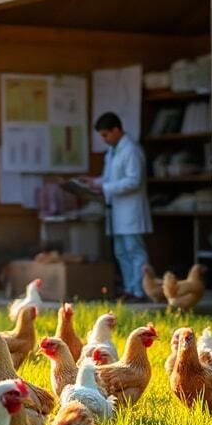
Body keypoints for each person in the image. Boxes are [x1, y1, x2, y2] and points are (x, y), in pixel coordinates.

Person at [82, 112, 152, 302]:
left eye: (106, 135)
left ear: (117, 130)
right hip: (117, 210)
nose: (104, 139)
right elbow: (110, 178)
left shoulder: (131, 150)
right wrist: (94, 182)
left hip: (131, 210)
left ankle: (141, 290)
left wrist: (104, 187)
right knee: (121, 252)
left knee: (134, 250)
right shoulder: (112, 152)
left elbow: (134, 181)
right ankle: (130, 288)